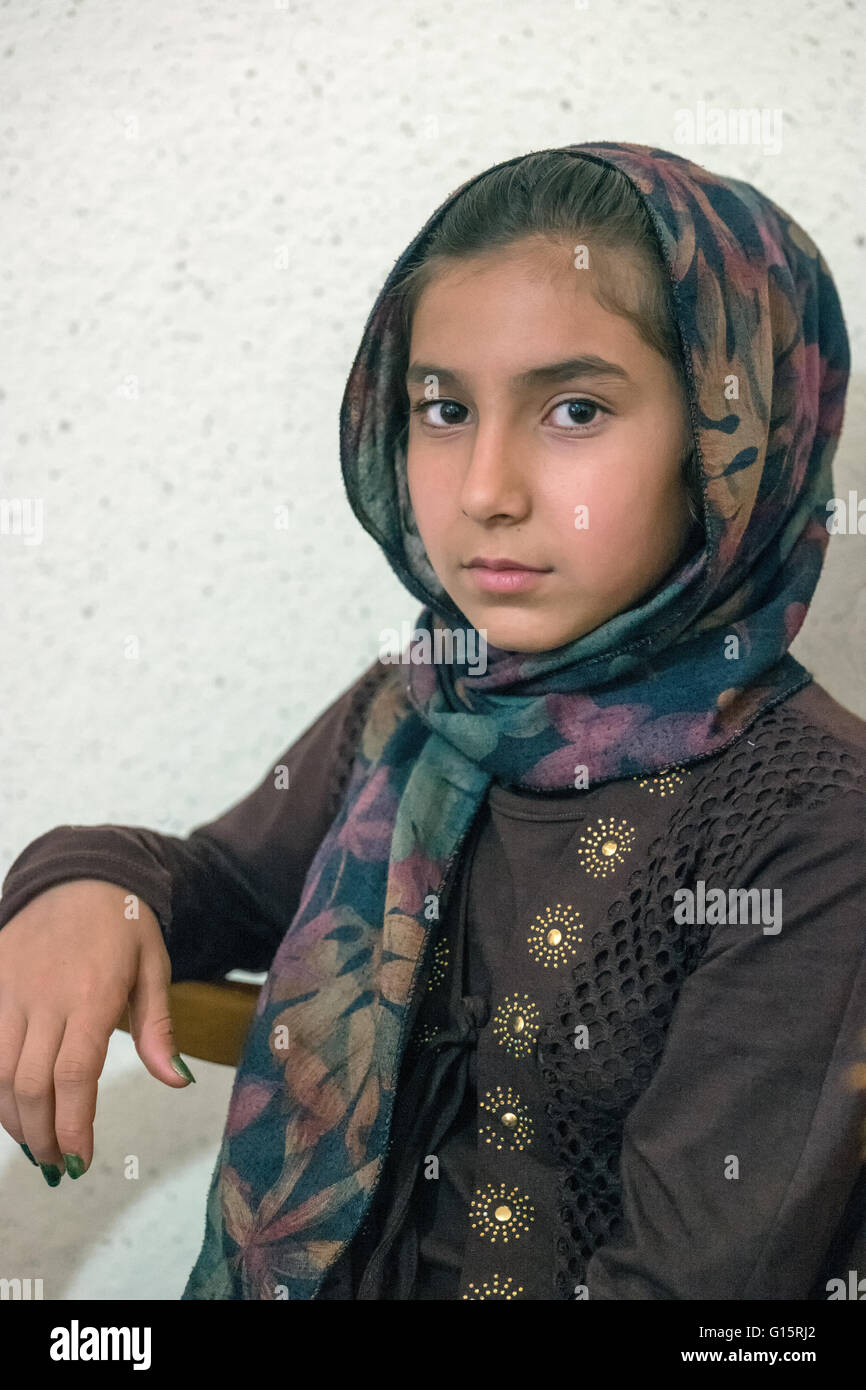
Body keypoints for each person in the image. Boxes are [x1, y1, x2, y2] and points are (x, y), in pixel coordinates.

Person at [1, 142, 865, 1301]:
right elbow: (217, 881)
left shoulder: (813, 827)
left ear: (731, 438)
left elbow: (695, 1292)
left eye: (573, 409)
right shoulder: (428, 701)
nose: (482, 489)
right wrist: (80, 883)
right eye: (442, 408)